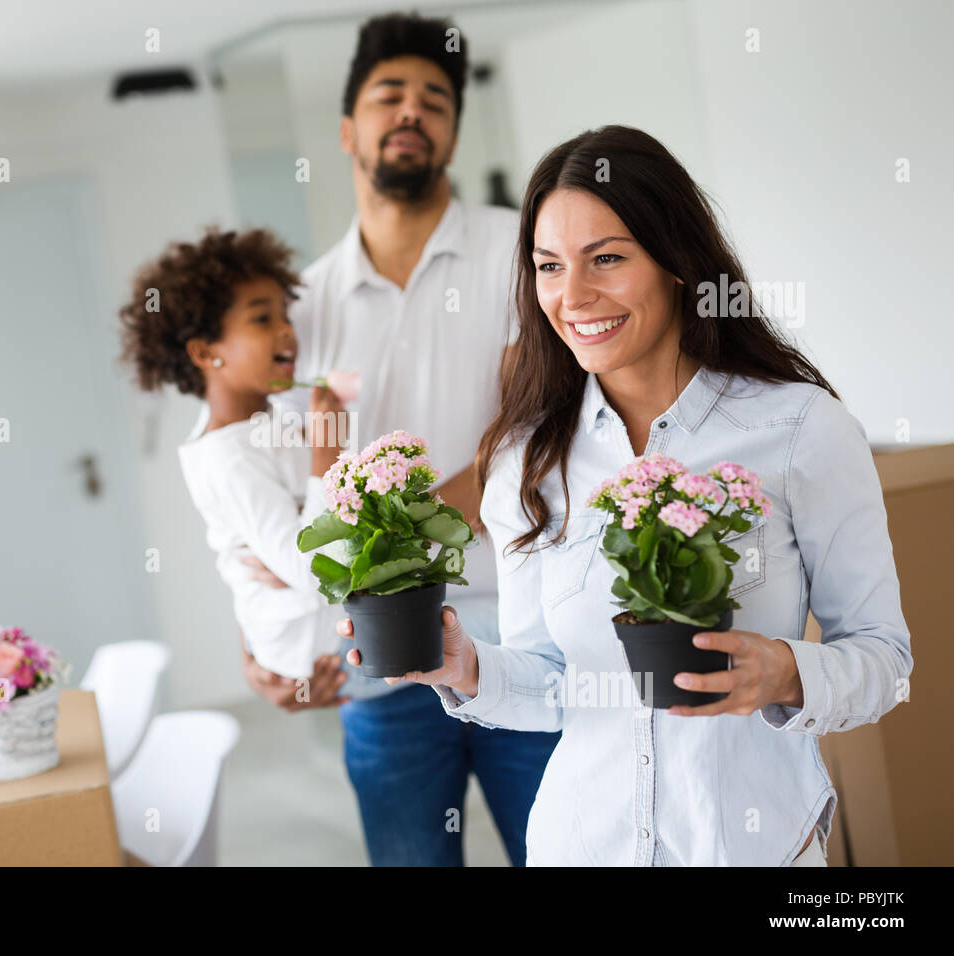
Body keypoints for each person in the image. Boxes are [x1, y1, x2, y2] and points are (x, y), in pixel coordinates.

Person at [340, 125, 913, 866]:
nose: (572, 296)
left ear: (677, 261)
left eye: (606, 259)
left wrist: (785, 671)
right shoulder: (525, 458)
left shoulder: (800, 428)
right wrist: (464, 666)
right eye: (549, 266)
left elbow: (885, 662)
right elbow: (550, 686)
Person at [242, 12, 560, 866]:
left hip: (521, 640)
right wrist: (264, 634)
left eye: (435, 100)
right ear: (348, 129)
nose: (412, 112)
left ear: (455, 130)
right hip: (377, 660)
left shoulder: (521, 254)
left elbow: (531, 437)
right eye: (390, 96)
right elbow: (276, 490)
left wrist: (392, 536)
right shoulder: (300, 309)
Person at [118, 227, 349, 683]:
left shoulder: (269, 421)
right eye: (262, 320)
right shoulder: (228, 455)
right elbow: (315, 571)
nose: (287, 330)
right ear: (205, 352)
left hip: (332, 633)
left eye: (284, 313)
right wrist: (327, 452)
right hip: (318, 654)